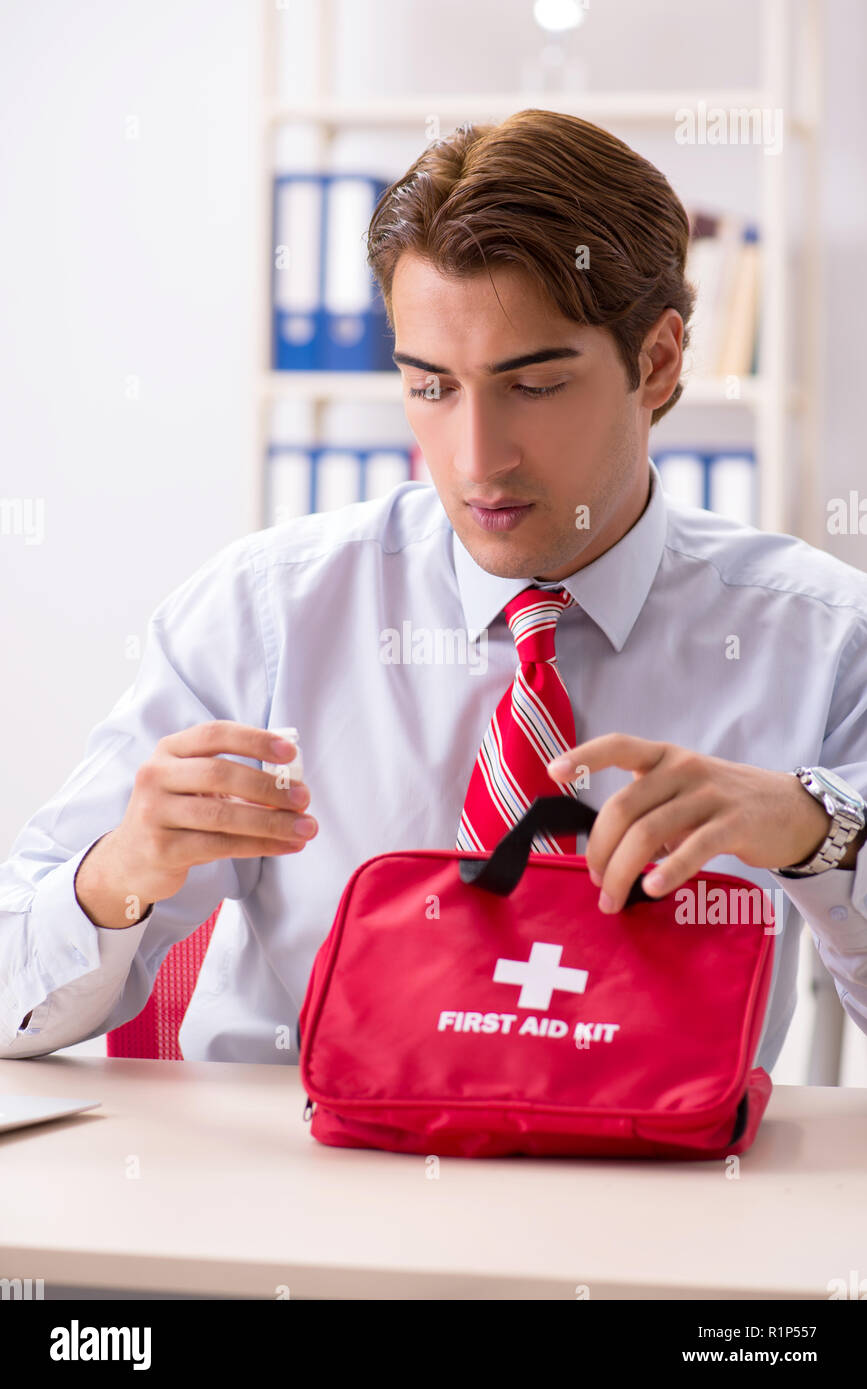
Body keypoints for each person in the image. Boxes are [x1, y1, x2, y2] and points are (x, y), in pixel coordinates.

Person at [2, 108, 865, 1069]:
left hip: (658, 1192)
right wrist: (116, 874)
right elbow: (8, 1003)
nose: (475, 459)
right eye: (431, 387)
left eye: (531, 386)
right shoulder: (262, 614)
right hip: (297, 1192)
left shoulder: (821, 638)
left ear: (655, 363)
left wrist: (819, 833)